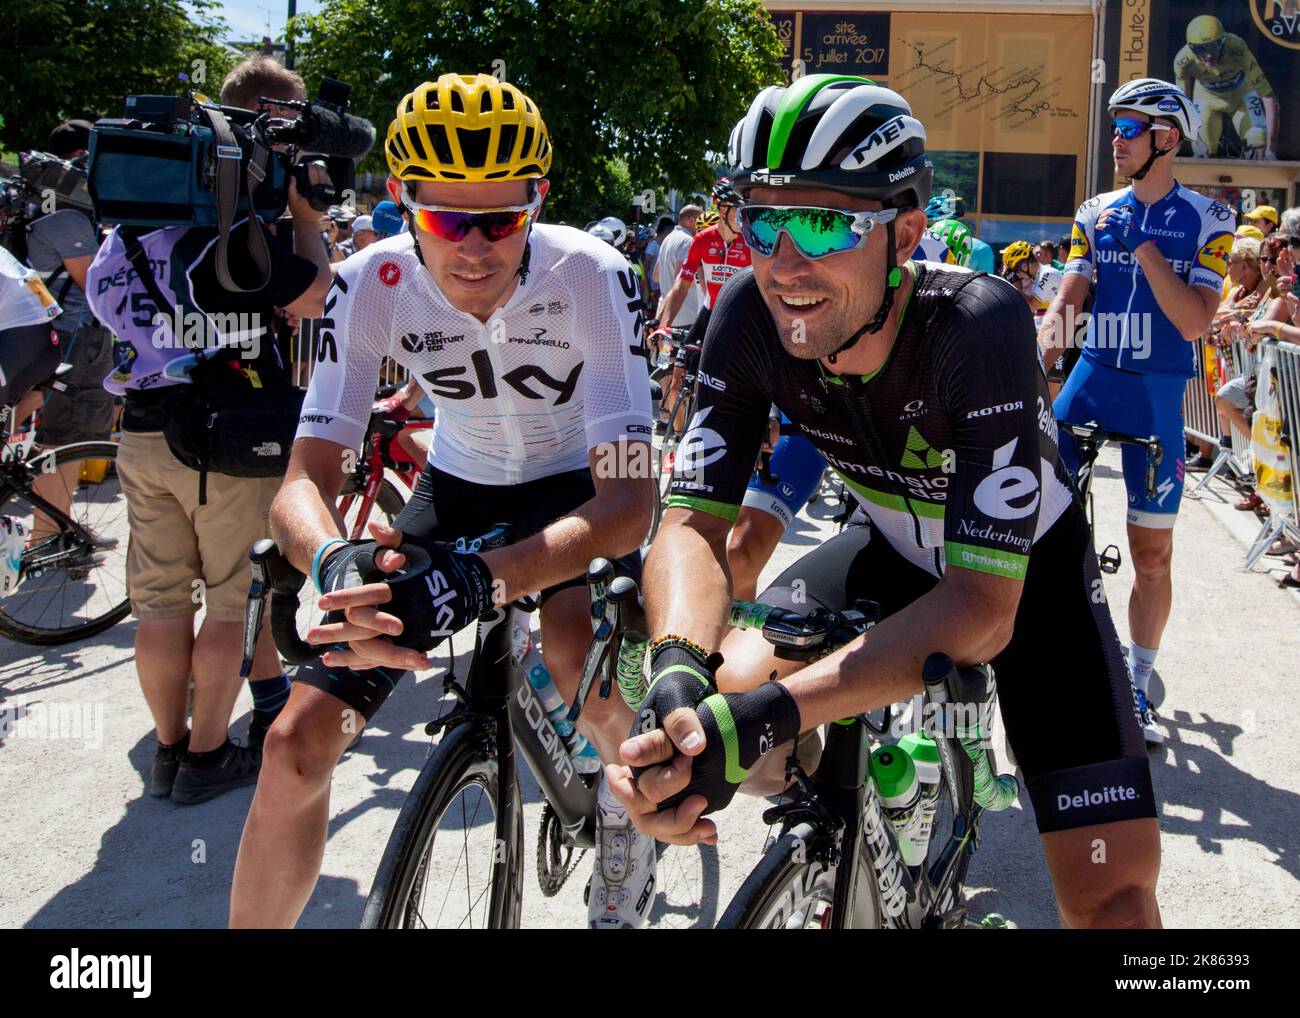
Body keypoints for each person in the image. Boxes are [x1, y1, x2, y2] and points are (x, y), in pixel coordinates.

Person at [606, 74, 1161, 929]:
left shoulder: (977, 322)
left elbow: (983, 605)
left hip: (1024, 576)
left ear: (904, 232)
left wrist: (775, 709)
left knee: (1114, 904)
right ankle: (854, 824)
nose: (788, 263)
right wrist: (681, 667)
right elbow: (689, 525)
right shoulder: (748, 316)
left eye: (827, 223)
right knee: (734, 720)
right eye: (762, 220)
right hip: (892, 548)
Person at [230, 73, 656, 930]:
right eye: (443, 218)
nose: (473, 247)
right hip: (455, 486)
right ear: (399, 200)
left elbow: (630, 502)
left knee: (574, 656)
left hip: (576, 489)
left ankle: (626, 807)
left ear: (538, 200)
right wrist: (335, 558)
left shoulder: (593, 278)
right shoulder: (369, 283)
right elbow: (303, 481)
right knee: (293, 743)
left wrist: (479, 580)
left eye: (500, 219)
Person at [84, 56, 333, 804]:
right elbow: (315, 296)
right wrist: (308, 222)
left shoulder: (134, 215)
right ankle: (206, 757)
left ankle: (166, 751)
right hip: (227, 436)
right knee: (232, 601)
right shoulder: (238, 228)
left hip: (144, 428)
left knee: (160, 603)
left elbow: (100, 301)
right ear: (275, 121)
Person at [1039, 78, 1230, 746]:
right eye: (1114, 128)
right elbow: (1068, 304)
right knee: (1035, 535)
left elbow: (1193, 321)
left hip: (1155, 397)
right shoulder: (1094, 210)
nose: (1115, 140)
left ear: (1166, 138)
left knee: (1152, 558)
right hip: (1089, 386)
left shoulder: (1211, 220)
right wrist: (1029, 371)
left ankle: (1137, 682)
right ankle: (1044, 663)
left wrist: (1144, 246)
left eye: (1128, 128)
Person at [24, 120, 115, 542]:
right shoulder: (65, 213)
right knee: (62, 443)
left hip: (47, 338)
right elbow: (95, 284)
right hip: (71, 341)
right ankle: (46, 538)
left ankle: (55, 531)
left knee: (59, 438)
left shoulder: (38, 204)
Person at [654, 179, 750, 434]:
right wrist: (664, 326)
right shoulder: (702, 240)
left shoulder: (751, 243)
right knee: (676, 382)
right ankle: (679, 444)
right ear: (721, 209)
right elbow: (681, 286)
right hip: (707, 314)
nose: (743, 216)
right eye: (737, 209)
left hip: (738, 318)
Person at [1175, 15, 1278, 160]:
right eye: (1201, 49)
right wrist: (1197, 141)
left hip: (1242, 95)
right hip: (1207, 99)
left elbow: (1269, 98)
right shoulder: (1182, 61)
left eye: (1214, 46)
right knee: (1202, 155)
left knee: (1258, 148)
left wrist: (1270, 148)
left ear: (1223, 41)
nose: (1209, 55)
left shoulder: (1236, 46)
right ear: (1191, 48)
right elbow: (1183, 106)